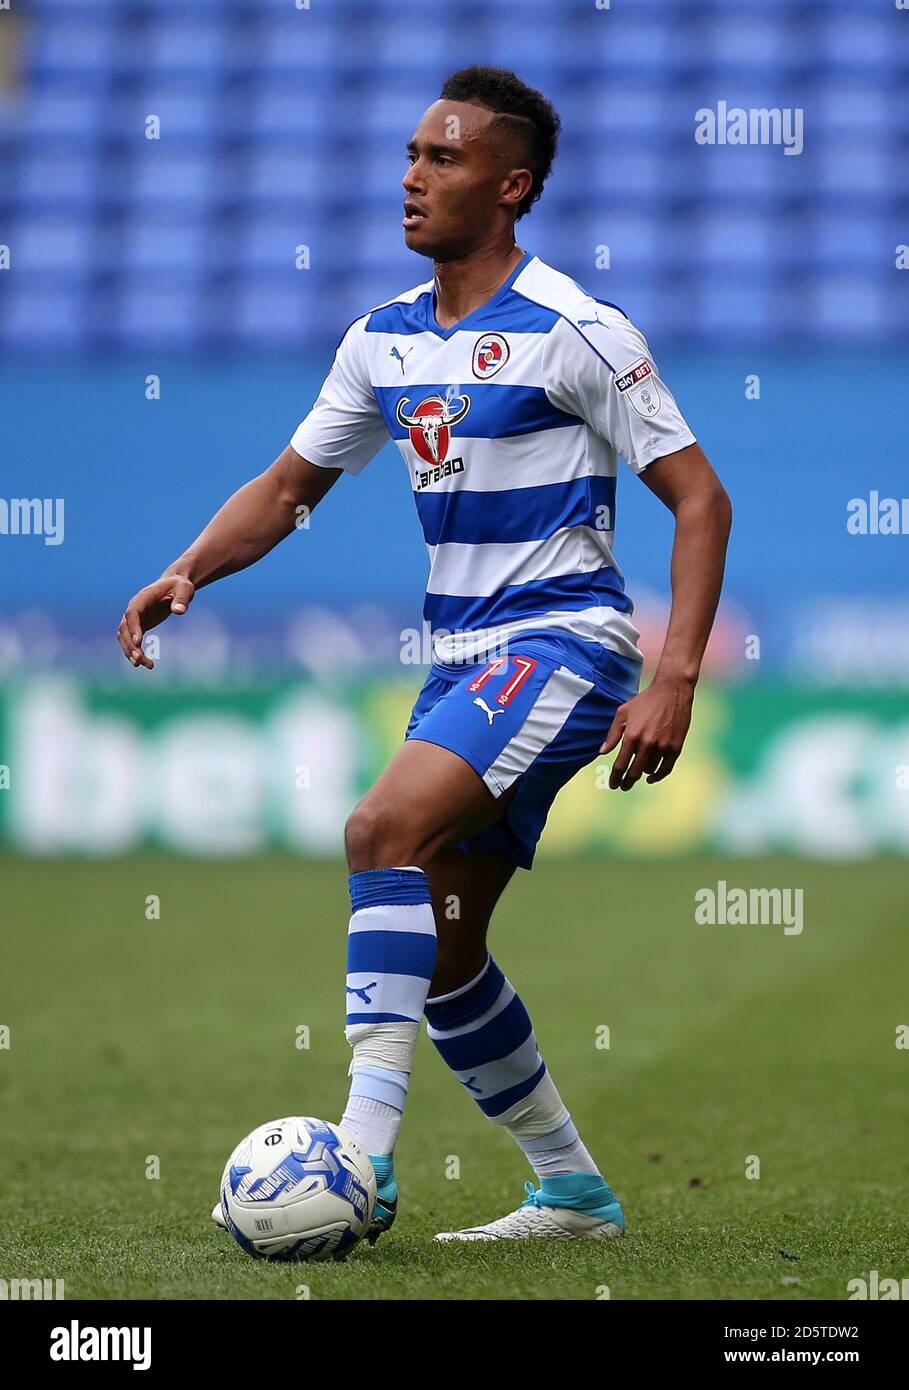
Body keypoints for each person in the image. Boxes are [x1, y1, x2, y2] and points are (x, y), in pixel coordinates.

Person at [118, 66, 731, 1244]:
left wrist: (676, 677)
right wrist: (192, 567)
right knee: (445, 953)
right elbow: (293, 484)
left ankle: (357, 1157)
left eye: (443, 160)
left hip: (564, 640)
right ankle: (573, 1191)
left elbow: (699, 501)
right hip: (463, 661)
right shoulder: (382, 339)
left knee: (376, 830)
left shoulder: (576, 332)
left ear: (511, 187)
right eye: (410, 153)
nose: (412, 176)